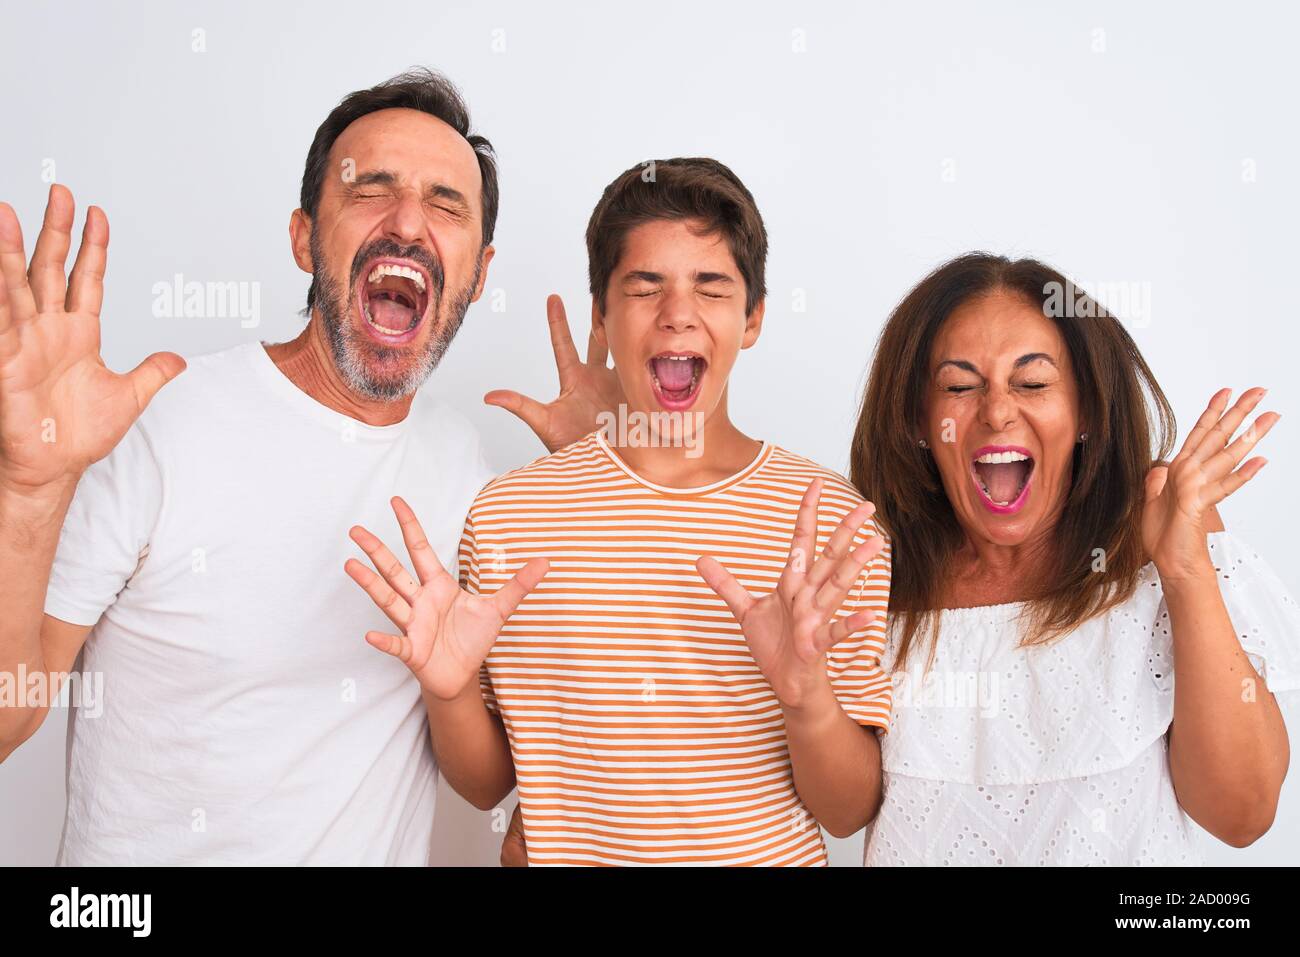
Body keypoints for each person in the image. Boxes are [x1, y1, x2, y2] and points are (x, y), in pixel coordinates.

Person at [0, 69, 611, 864]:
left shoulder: (465, 469)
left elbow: (490, 784)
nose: (407, 223)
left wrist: (608, 477)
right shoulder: (162, 423)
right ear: (303, 237)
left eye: (445, 204)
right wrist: (28, 492)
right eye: (371, 189)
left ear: (480, 272)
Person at [345, 157, 894, 865]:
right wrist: (447, 690)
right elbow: (488, 786)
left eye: (711, 285)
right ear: (601, 314)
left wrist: (806, 694)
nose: (677, 313)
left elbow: (848, 812)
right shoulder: (511, 516)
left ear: (752, 316)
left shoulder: (828, 523)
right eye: (644, 286)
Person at [850, 253, 1296, 865]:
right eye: (958, 386)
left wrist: (1186, 569)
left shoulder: (1158, 533)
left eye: (1033, 383)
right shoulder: (869, 568)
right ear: (918, 422)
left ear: (1086, 412)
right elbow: (841, 808)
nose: (998, 411)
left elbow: (1241, 815)